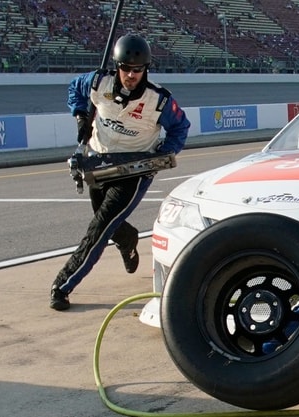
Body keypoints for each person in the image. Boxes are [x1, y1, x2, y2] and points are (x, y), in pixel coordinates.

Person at [50, 34, 191, 311]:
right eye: (125, 68)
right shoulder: (96, 82)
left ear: (145, 69)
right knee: (106, 221)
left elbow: (180, 127)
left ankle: (62, 285)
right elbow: (74, 90)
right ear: (117, 66)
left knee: (99, 228)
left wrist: (164, 151)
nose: (130, 75)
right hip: (98, 163)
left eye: (137, 70)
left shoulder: (158, 100)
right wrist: (80, 116)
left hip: (134, 169)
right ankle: (127, 240)